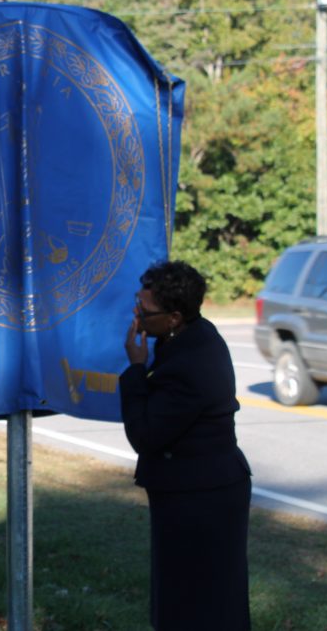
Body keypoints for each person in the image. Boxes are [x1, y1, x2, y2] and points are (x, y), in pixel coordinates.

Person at [120, 260, 252, 631]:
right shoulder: (194, 334)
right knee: (197, 596)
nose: (137, 315)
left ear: (174, 317)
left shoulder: (188, 364)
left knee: (196, 603)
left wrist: (135, 369)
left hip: (200, 496)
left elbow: (145, 436)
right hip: (202, 486)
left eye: (145, 311)